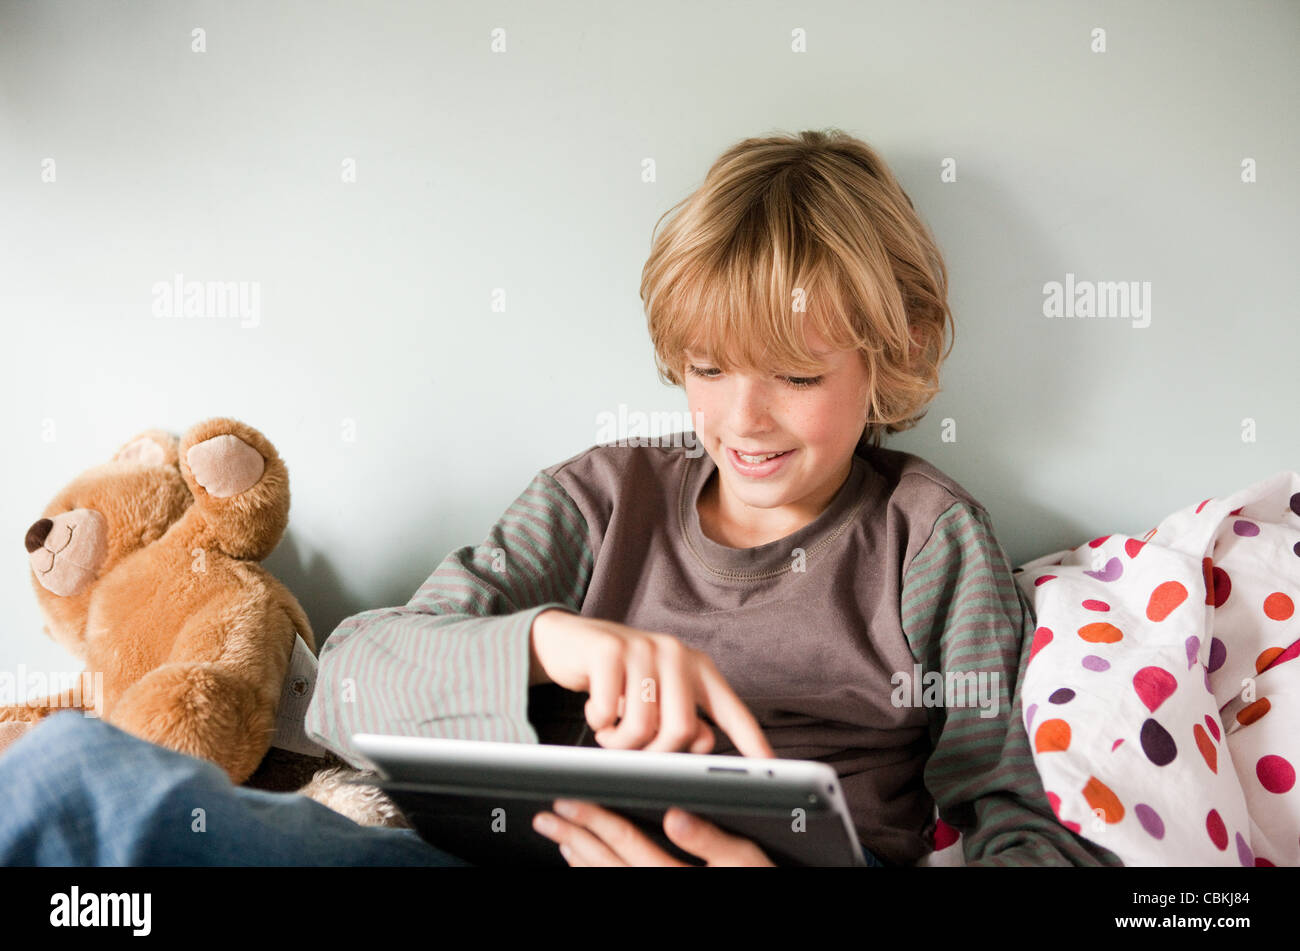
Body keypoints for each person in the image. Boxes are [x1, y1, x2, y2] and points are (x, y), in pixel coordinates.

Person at [302, 129, 1121, 867]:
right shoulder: (602, 500)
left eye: (796, 377)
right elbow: (342, 690)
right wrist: (556, 647)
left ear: (893, 353)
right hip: (542, 852)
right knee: (186, 809)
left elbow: (1027, 829)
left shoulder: (927, 540)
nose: (742, 421)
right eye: (708, 369)